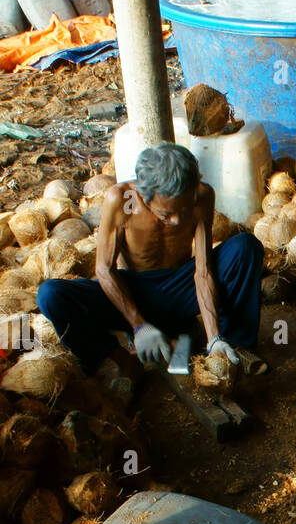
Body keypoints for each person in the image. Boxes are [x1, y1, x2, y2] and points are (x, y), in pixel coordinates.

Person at [37, 142, 267, 382]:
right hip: (135, 292)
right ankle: (121, 361)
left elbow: (203, 271)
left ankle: (231, 346)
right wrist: (139, 326)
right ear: (143, 197)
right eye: (166, 214)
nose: (178, 220)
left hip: (182, 287)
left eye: (184, 208)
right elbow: (104, 270)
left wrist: (214, 338)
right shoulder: (123, 198)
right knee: (51, 294)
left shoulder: (202, 195)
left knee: (245, 247)